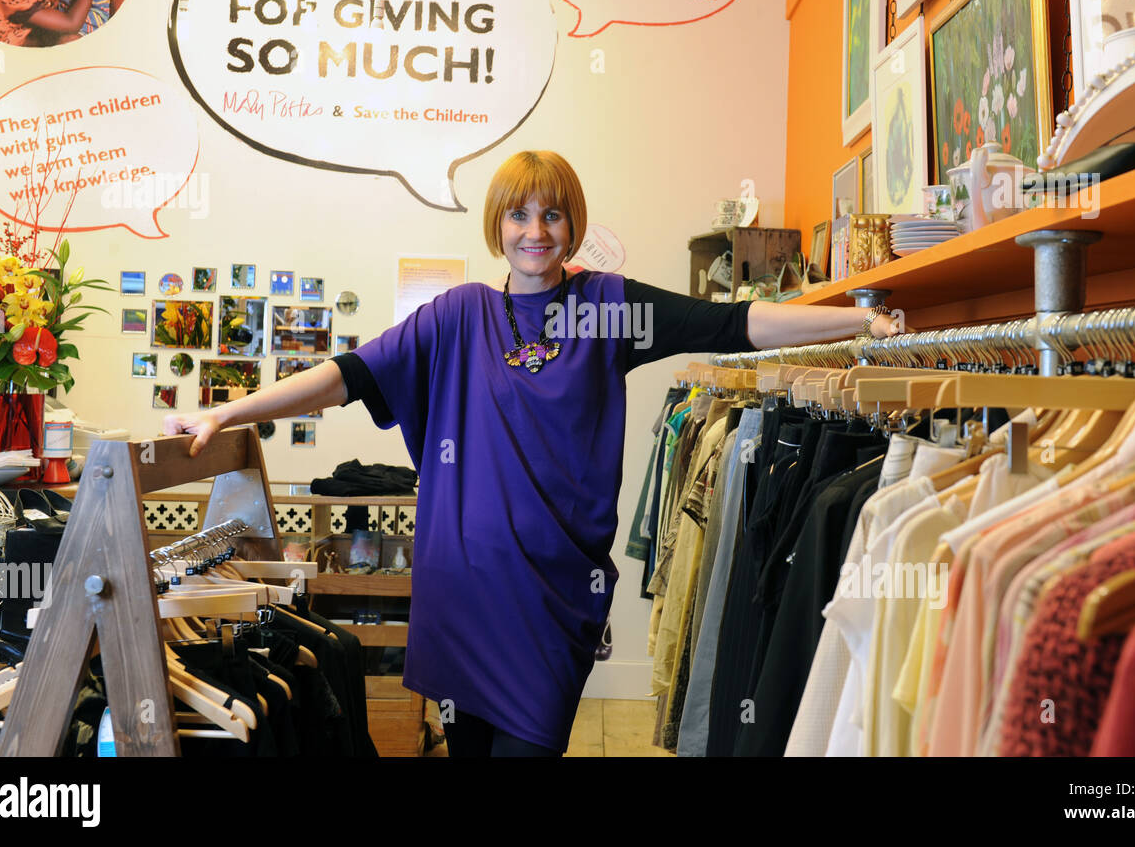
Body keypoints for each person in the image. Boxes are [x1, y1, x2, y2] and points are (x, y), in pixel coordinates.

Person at [163, 151, 901, 757]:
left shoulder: (608, 306)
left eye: (551, 213)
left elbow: (732, 323)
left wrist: (854, 325)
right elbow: (347, 377)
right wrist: (232, 409)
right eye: (520, 213)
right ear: (498, 224)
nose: (536, 229)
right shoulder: (458, 315)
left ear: (572, 223)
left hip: (554, 600)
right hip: (461, 596)